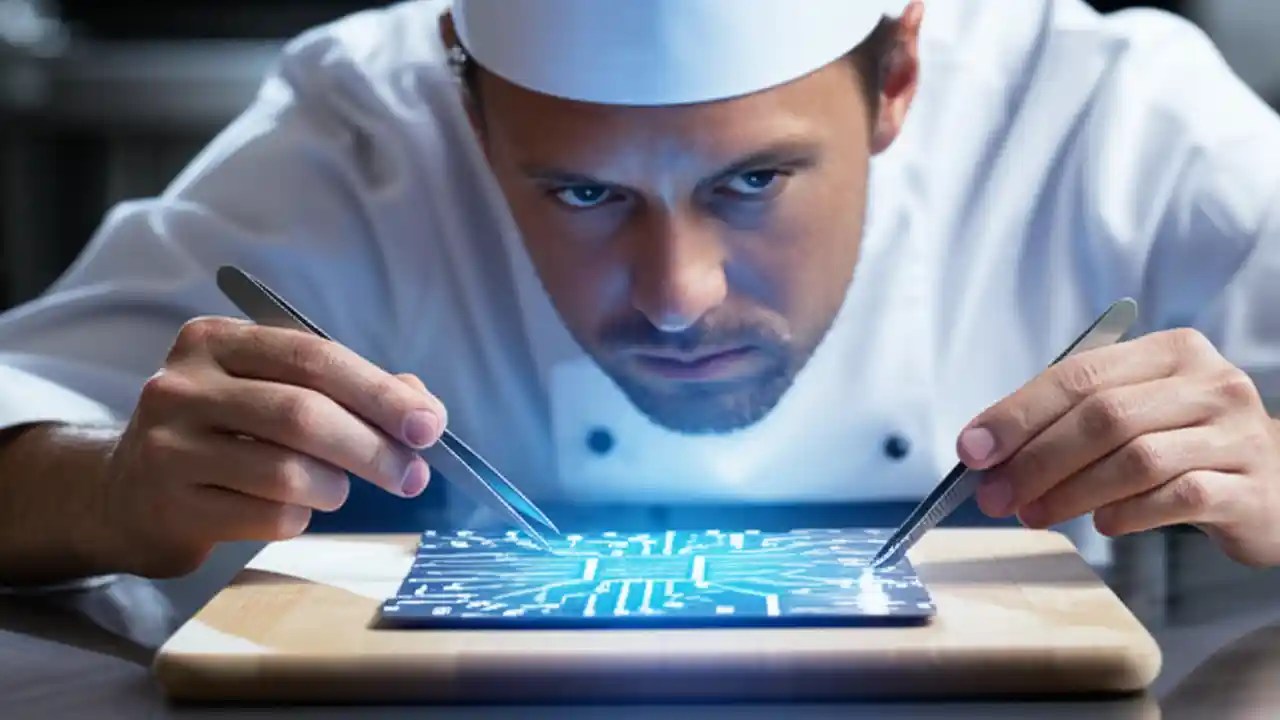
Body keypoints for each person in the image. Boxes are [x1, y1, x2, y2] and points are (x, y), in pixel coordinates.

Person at [1, 0, 1278, 589]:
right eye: (579, 196)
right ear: (463, 92)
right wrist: (108, 489)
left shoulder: (1112, 117)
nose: (676, 297)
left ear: (896, 78)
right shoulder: (363, 131)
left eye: (754, 181)